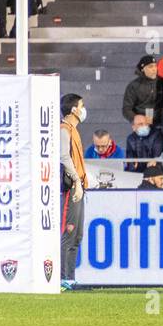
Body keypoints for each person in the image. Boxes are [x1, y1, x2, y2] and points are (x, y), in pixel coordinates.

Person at [59, 94, 91, 291]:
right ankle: (63, 278)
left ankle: (70, 277)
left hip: (78, 185)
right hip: (71, 186)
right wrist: (76, 181)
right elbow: (63, 156)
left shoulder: (73, 130)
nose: (83, 108)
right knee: (69, 232)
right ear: (73, 110)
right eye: (82, 105)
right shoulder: (65, 130)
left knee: (77, 235)